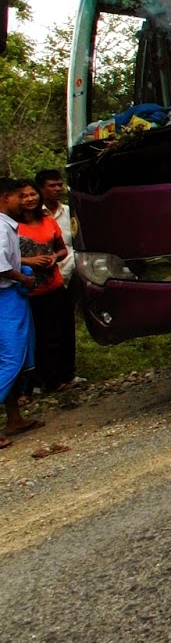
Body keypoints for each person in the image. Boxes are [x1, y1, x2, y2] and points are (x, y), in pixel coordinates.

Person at [16, 179, 75, 395]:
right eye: (23, 196)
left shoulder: (48, 221)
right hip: (27, 291)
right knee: (39, 337)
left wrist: (53, 257)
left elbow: (62, 250)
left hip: (55, 284)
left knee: (62, 331)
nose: (29, 199)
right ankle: (40, 381)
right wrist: (29, 261)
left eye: (32, 194)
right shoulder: (11, 226)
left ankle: (64, 376)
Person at [0, 176, 41, 447]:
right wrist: (24, 278)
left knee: (19, 358)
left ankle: (14, 418)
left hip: (11, 296)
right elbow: (1, 267)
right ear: (5, 198)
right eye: (18, 197)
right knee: (11, 358)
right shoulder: (1, 228)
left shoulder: (8, 226)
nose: (22, 202)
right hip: (5, 295)